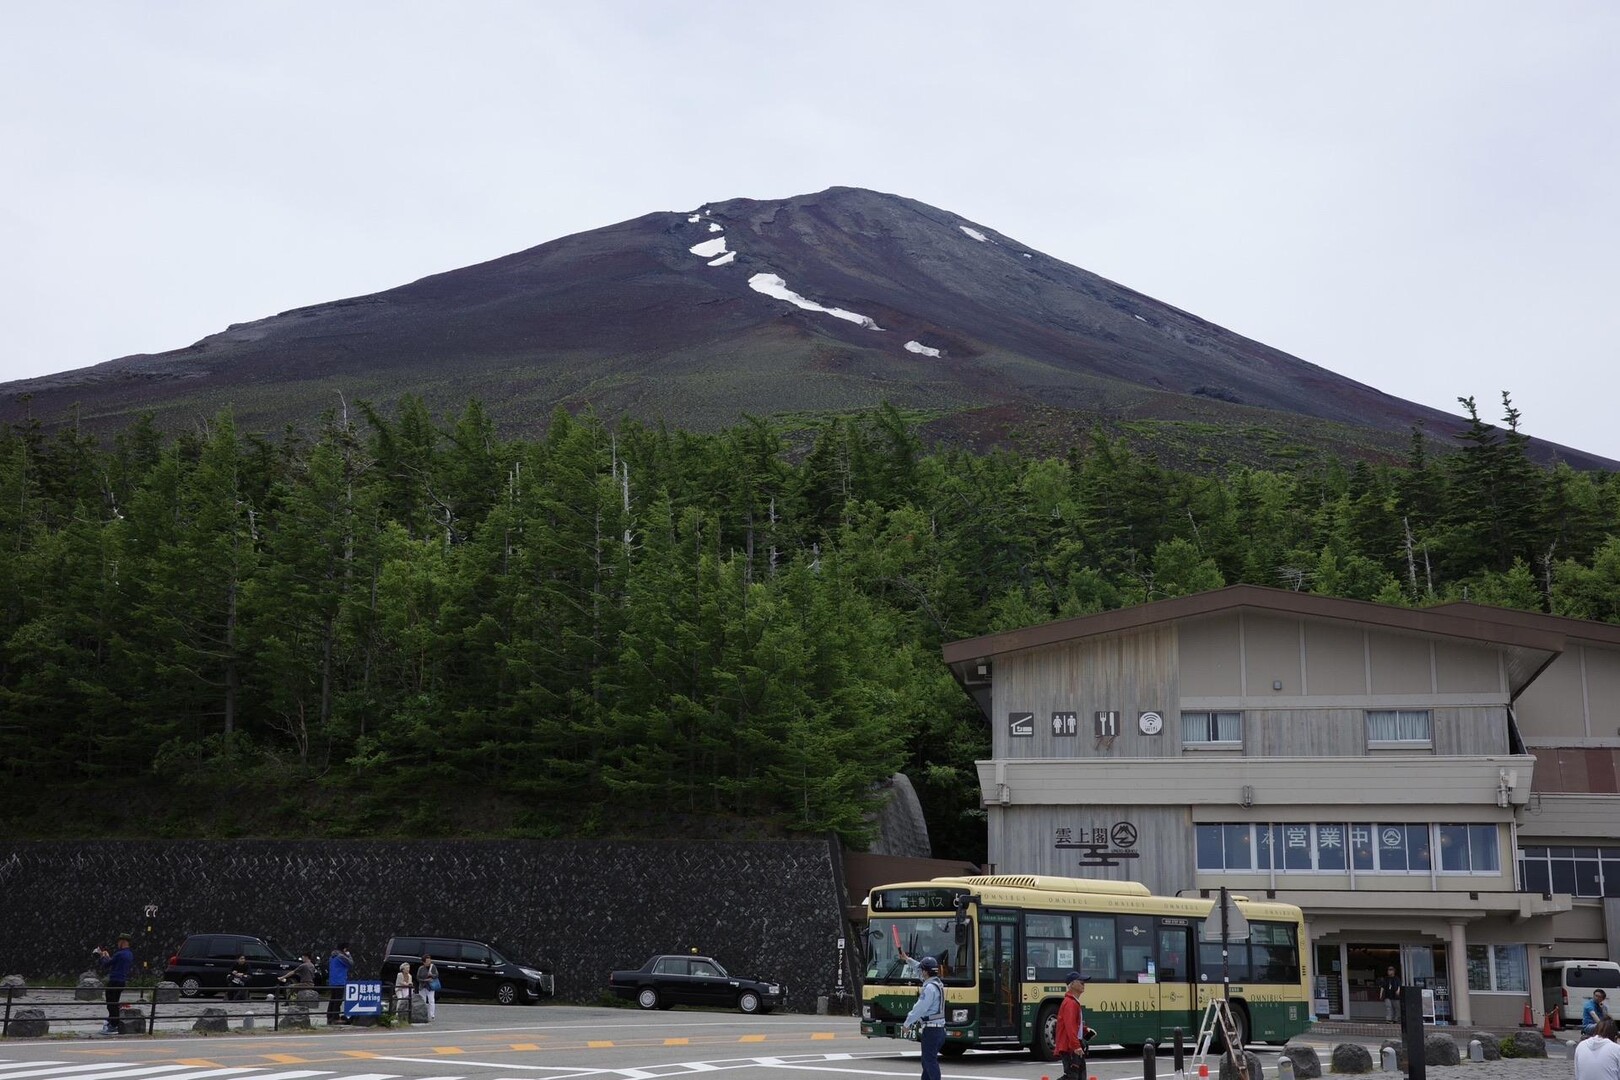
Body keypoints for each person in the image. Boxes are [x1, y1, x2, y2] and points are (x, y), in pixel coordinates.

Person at [901, 955, 946, 1080]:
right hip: (939, 1030)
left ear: (926, 972)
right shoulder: (937, 983)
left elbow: (920, 1008)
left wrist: (907, 1023)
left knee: (929, 1061)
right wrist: (907, 959)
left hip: (931, 1030)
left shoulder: (929, 988)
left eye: (922, 970)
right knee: (926, 1061)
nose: (920, 972)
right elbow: (918, 968)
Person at [1055, 971, 1097, 1080]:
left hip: (1074, 1046)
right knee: (1071, 1077)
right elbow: (1070, 1026)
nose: (1084, 984)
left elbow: (1073, 1024)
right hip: (1070, 1047)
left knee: (1079, 1076)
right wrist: (1076, 1046)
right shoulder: (1070, 1003)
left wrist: (1086, 1030)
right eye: (1081, 981)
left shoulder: (1073, 1002)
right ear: (1072, 984)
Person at [94, 933, 136, 1034]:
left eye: (119, 941)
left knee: (111, 1004)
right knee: (115, 1002)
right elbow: (115, 962)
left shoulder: (120, 954)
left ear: (123, 942)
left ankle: (113, 1025)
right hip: (122, 981)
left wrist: (102, 956)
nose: (117, 943)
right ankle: (111, 1021)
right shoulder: (129, 954)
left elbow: (106, 964)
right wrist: (107, 957)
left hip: (114, 981)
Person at [326, 943, 353, 1025]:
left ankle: (330, 1017)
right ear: (344, 949)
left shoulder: (332, 956)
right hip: (340, 980)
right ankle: (335, 1018)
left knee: (333, 999)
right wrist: (349, 955)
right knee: (338, 1000)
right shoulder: (341, 957)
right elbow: (351, 963)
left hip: (333, 980)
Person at [418, 953, 440, 1022]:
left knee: (431, 1000)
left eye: (429, 960)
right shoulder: (421, 968)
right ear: (423, 962)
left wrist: (432, 975)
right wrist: (425, 980)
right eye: (427, 961)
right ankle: (424, 1014)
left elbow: (436, 975)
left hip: (430, 986)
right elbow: (418, 978)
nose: (428, 962)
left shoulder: (433, 967)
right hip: (422, 986)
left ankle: (432, 1015)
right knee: (423, 1001)